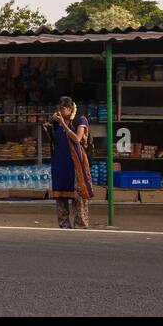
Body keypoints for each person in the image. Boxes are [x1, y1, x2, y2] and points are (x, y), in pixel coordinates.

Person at [45, 96, 93, 229]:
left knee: (78, 196)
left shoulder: (80, 119)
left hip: (76, 162)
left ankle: (81, 224)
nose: (59, 111)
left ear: (70, 108)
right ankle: (64, 224)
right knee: (60, 195)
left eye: (62, 109)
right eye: (58, 109)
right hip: (60, 161)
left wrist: (64, 124)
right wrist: (49, 127)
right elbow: (54, 140)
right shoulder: (57, 121)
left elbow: (77, 139)